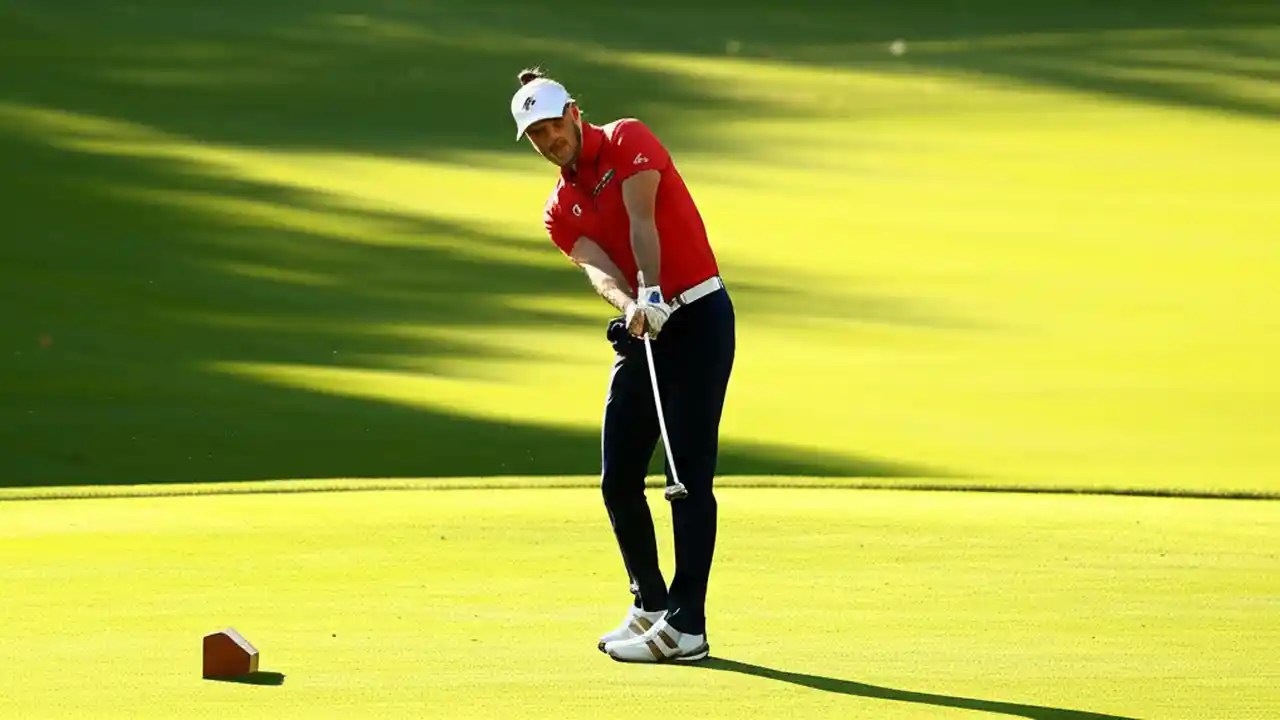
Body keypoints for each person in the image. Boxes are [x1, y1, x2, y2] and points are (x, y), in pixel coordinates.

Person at [509, 68, 735, 663]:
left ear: (575, 113)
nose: (549, 139)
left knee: (687, 477)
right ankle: (652, 604)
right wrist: (633, 304)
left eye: (554, 124)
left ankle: (689, 625)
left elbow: (641, 218)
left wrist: (655, 293)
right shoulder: (559, 209)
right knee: (618, 477)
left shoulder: (629, 138)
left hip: (698, 315)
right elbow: (596, 266)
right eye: (536, 135)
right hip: (646, 327)